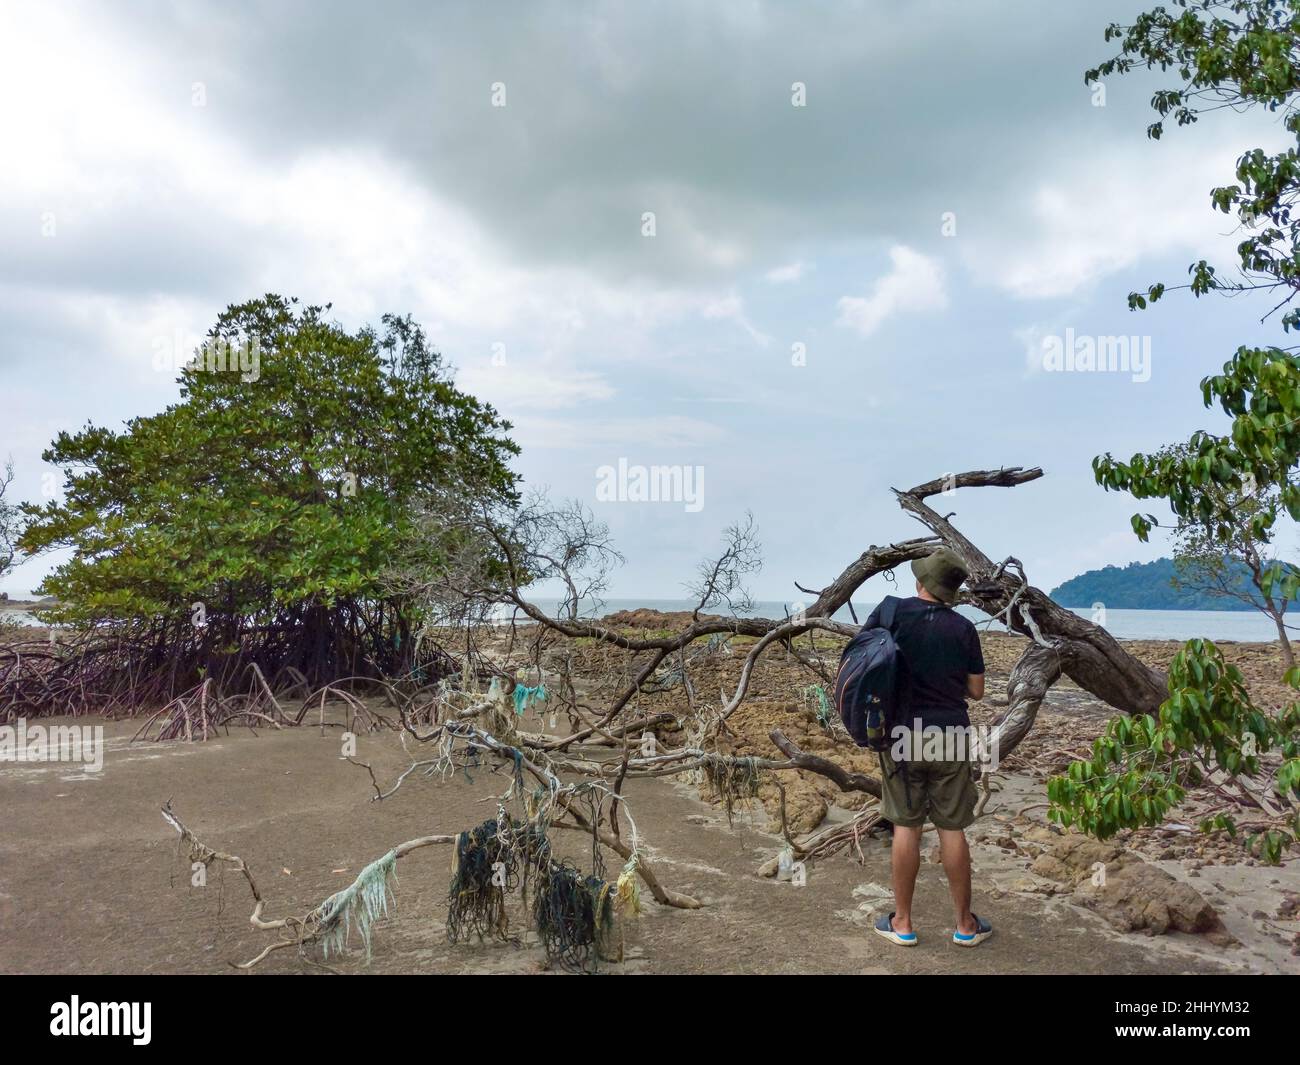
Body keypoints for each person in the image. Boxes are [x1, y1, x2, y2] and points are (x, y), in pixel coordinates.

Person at [866, 547, 992, 949]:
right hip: (950, 734)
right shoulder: (963, 628)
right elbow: (976, 690)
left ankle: (902, 923)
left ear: (920, 582)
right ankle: (965, 925)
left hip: (902, 732)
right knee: (952, 828)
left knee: (907, 826)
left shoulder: (892, 613)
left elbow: (864, 661)